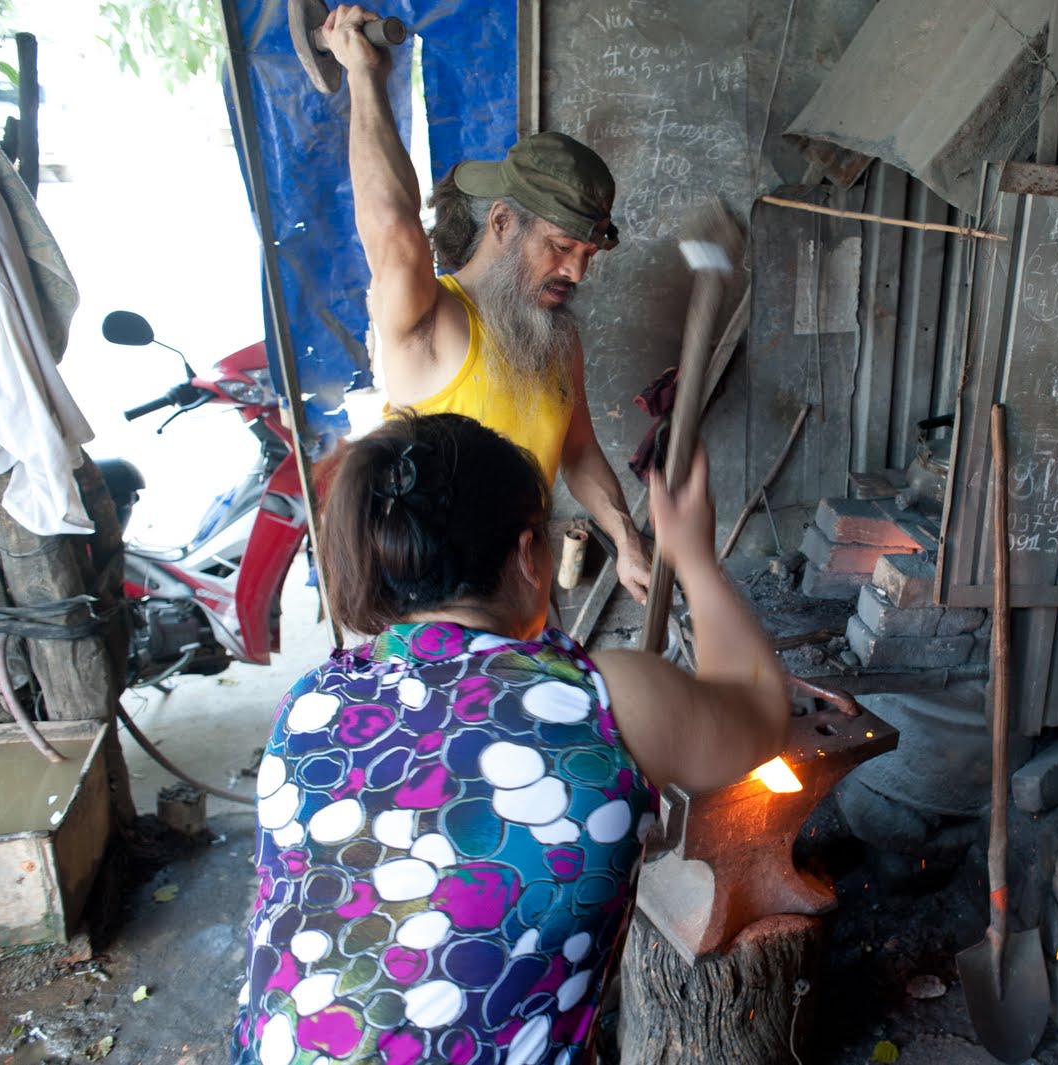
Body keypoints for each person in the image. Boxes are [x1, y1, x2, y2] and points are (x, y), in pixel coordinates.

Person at [231, 412, 789, 1065]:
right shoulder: (603, 705)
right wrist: (694, 557)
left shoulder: (310, 705)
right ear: (530, 554)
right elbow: (760, 711)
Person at [324, 4, 652, 603]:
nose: (575, 270)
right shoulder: (431, 320)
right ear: (502, 222)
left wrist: (626, 537)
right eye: (559, 247)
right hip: (434, 626)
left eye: (587, 253)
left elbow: (576, 450)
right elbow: (396, 228)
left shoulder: (555, 336)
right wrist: (364, 78)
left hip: (523, 604)